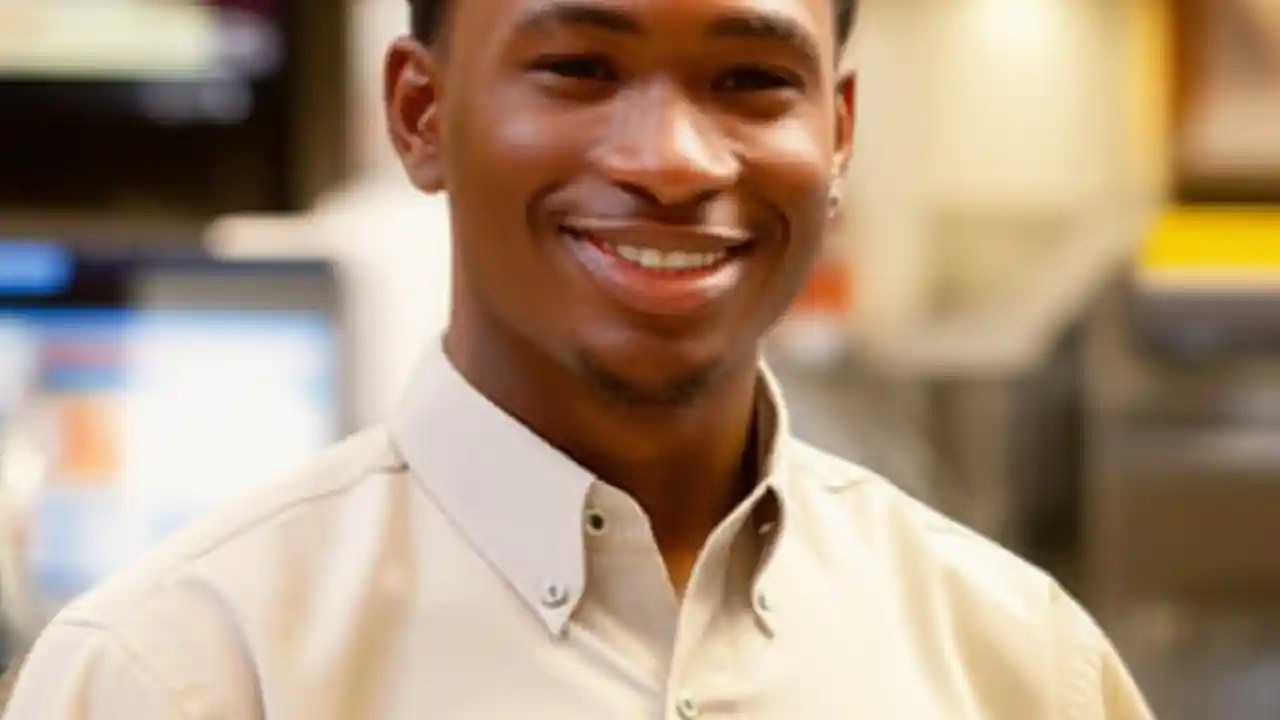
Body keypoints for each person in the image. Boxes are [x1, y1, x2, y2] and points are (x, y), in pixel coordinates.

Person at [4, 0, 1154, 717]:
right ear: (419, 111)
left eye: (750, 80)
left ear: (837, 132)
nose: (669, 158)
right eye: (579, 68)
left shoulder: (1015, 664)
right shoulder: (181, 671)